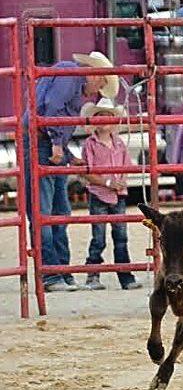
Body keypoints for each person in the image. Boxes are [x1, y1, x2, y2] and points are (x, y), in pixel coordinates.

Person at [23, 52, 119, 292]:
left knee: (58, 210)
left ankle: (60, 271)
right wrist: (58, 143)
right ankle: (52, 273)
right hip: (41, 141)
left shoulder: (72, 81)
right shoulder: (70, 75)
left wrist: (64, 151)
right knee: (45, 209)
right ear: (93, 74)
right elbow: (51, 108)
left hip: (45, 142)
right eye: (101, 81)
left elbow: (52, 111)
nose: (99, 88)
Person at [79, 98, 142, 291]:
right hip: (99, 194)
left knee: (121, 236)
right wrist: (108, 182)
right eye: (100, 116)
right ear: (94, 120)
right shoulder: (89, 144)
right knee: (99, 238)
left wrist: (122, 180)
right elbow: (86, 172)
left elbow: (126, 167)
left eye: (108, 116)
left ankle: (125, 277)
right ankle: (93, 276)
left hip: (118, 194)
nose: (105, 120)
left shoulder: (120, 144)